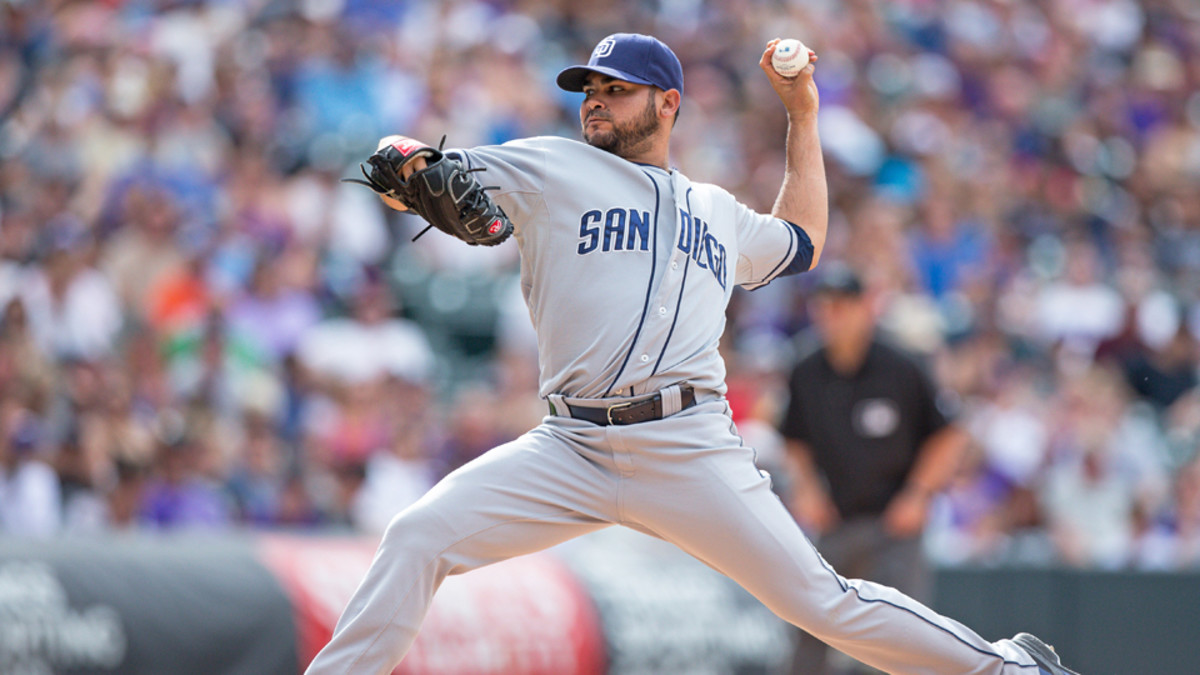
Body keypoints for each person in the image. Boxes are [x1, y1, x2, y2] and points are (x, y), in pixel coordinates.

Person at [305, 33, 1078, 675]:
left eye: (617, 88)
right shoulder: (552, 165)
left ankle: (1007, 666)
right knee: (416, 537)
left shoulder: (716, 210)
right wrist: (404, 163)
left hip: (686, 445)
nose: (596, 100)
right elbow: (410, 167)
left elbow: (803, 241)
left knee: (821, 601)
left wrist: (802, 116)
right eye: (589, 88)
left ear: (667, 102)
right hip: (568, 444)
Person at [778, 263, 971, 674]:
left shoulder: (902, 363)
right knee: (806, 625)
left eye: (843, 306)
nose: (833, 315)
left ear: (866, 307)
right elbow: (793, 438)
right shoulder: (806, 368)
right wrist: (808, 488)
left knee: (895, 638)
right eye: (824, 306)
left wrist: (918, 495)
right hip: (834, 523)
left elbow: (949, 435)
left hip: (894, 524)